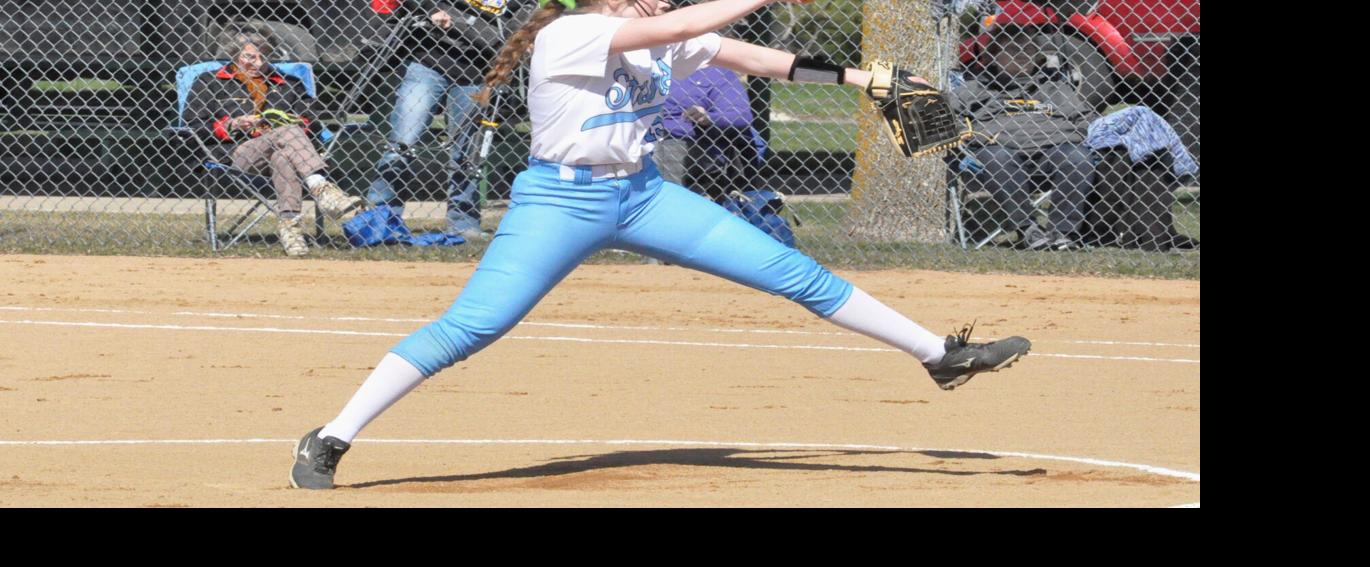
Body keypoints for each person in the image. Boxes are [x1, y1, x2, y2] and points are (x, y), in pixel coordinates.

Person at [290, 0, 1031, 490]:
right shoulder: (570, 32)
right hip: (559, 200)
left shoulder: (664, 37)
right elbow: (678, 32)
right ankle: (330, 435)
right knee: (473, 326)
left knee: (792, 271)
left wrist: (861, 76)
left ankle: (940, 354)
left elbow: (760, 61)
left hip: (641, 195)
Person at [182, 32, 367, 256]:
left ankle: (290, 229)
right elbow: (192, 125)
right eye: (249, 57)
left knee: (283, 153)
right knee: (289, 132)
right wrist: (232, 124)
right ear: (234, 55)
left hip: (286, 152)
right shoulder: (209, 82)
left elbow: (312, 121)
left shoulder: (289, 84)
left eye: (264, 57)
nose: (257, 63)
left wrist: (291, 123)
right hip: (237, 153)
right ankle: (320, 187)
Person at [364, 0, 526, 238]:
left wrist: (515, 41)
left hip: (479, 70)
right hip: (429, 62)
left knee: (466, 152)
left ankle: (463, 223)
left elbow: (522, 21)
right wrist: (431, 10)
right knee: (402, 143)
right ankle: (381, 220)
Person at [950, 23, 1097, 251]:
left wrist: (1082, 134)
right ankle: (1028, 229)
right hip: (999, 156)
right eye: (1012, 49)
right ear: (994, 56)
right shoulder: (976, 88)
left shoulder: (1053, 87)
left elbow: (1084, 118)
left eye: (1028, 49)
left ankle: (1062, 232)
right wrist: (964, 134)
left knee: (1078, 157)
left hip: (1053, 152)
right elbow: (945, 113)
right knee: (996, 157)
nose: (1021, 54)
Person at [651, 65, 759, 196]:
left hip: (685, 144)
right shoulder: (644, 65)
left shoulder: (715, 72)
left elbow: (740, 116)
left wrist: (708, 117)